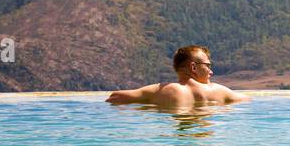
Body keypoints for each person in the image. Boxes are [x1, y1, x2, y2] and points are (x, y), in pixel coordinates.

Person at [105, 45, 249, 105]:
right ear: (193, 67)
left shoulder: (162, 90)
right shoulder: (218, 91)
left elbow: (114, 98)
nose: (211, 71)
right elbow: (247, 100)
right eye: (208, 66)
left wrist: (147, 102)